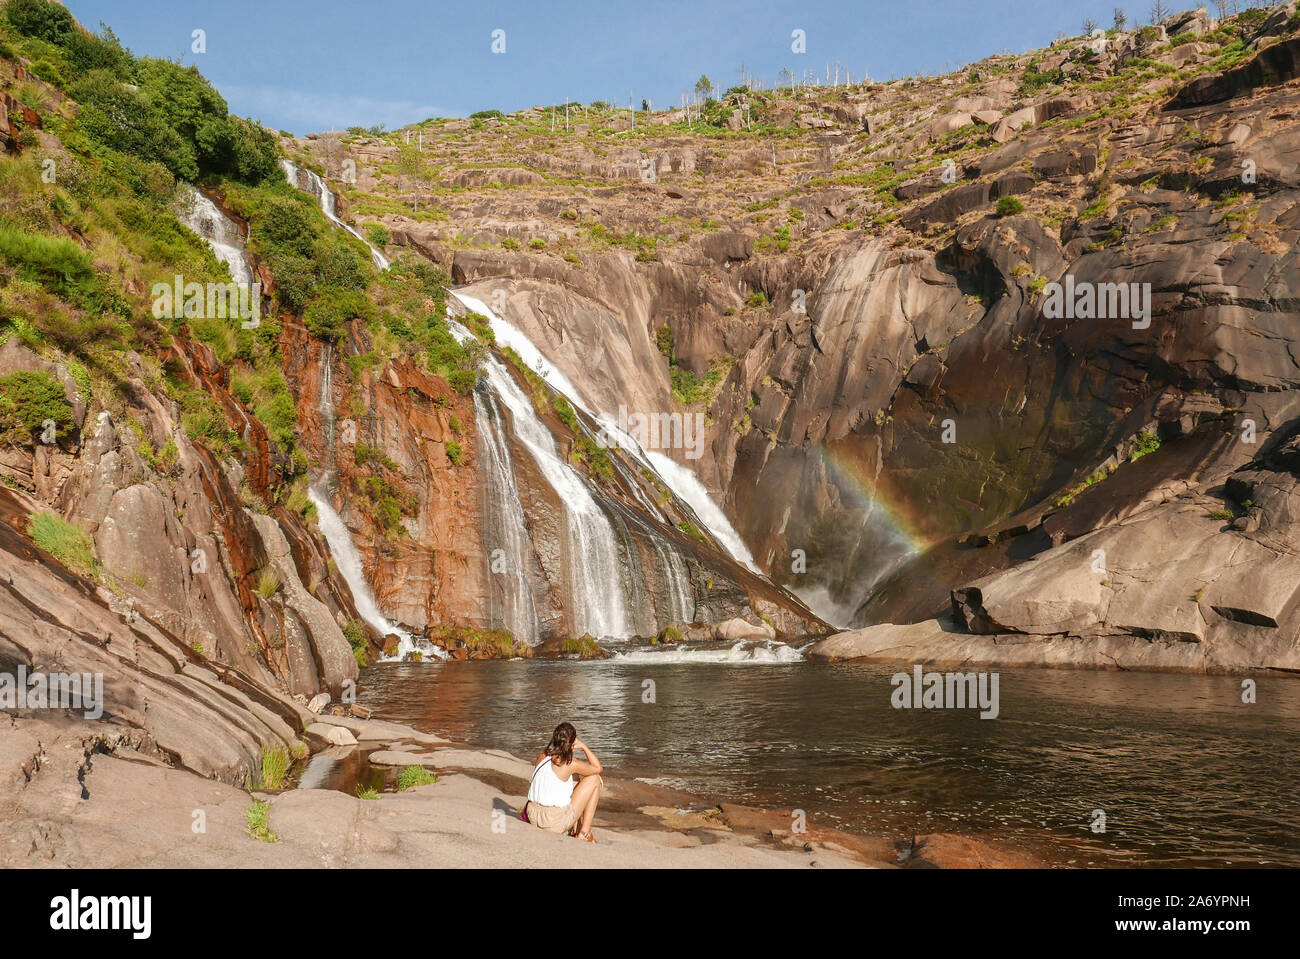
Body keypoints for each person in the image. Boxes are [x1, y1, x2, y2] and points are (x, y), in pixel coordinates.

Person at [524, 721, 603, 842]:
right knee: (595, 779)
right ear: (572, 743)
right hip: (552, 822)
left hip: (533, 815)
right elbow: (597, 768)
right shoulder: (569, 763)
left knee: (575, 780)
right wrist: (583, 746)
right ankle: (585, 832)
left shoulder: (542, 756)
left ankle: (575, 829)